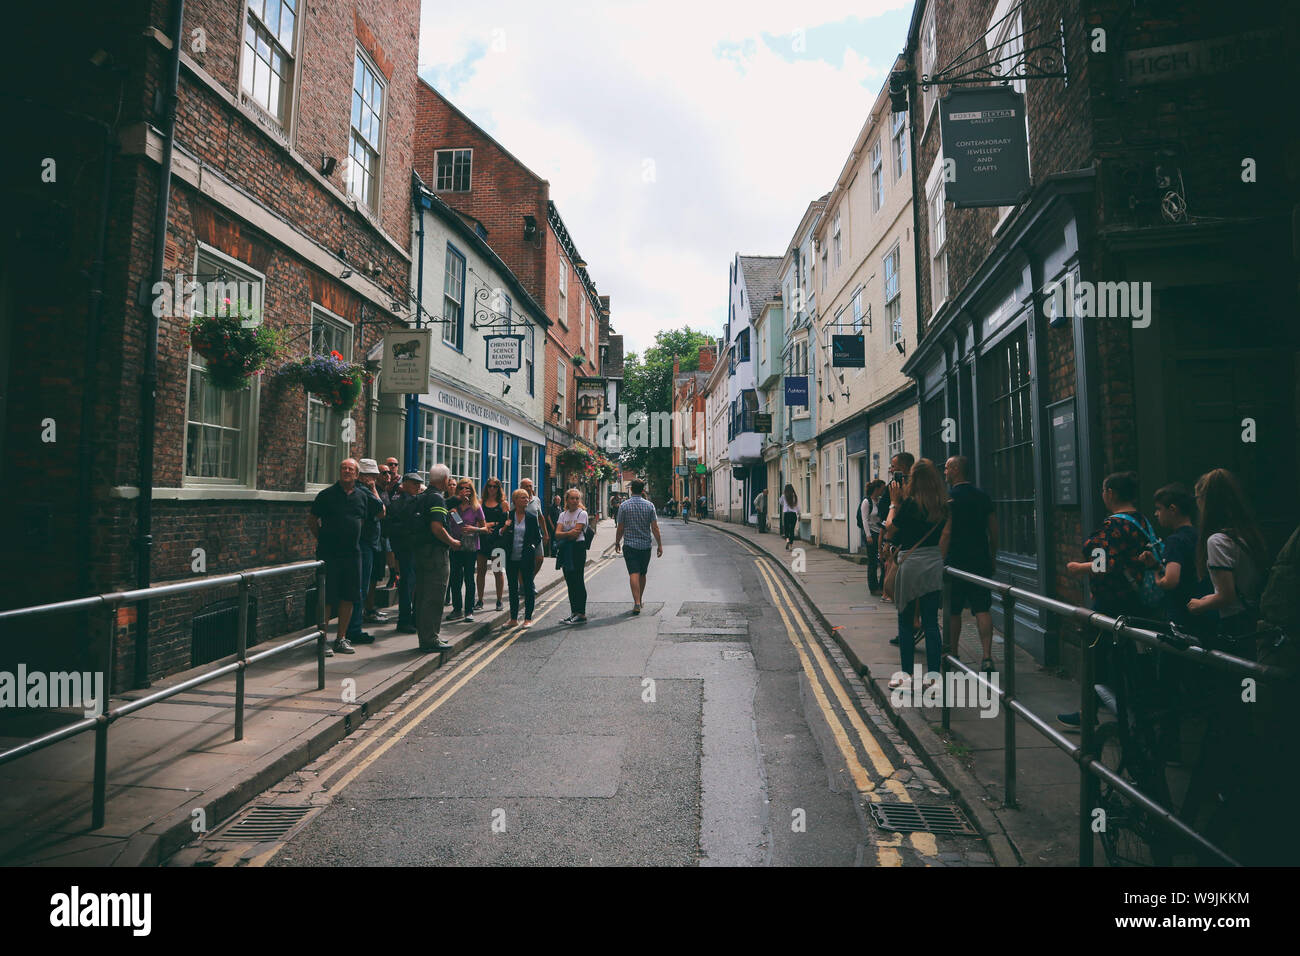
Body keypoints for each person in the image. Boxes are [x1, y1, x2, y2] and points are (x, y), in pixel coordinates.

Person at [1060, 471, 1158, 729]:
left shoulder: (1113, 526)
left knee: (1095, 656)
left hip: (1111, 603)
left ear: (1110, 493)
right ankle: (1140, 711)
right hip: (1138, 600)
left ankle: (1092, 712)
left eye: (1104, 492)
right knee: (1136, 658)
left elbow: (1105, 564)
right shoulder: (1142, 521)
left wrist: (1078, 568)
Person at [883, 459, 948, 691]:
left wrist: (893, 503)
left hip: (911, 565)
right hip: (933, 563)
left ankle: (906, 676)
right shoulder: (942, 505)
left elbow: (891, 528)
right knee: (931, 623)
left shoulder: (910, 504)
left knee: (905, 621)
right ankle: (933, 678)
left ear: (914, 479)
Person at [1187, 468, 1268, 649]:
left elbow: (1226, 596)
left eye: (1197, 499)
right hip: (1256, 617)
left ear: (1206, 500)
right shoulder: (1247, 534)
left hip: (1235, 624)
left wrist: (1200, 604)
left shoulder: (1217, 541)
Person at [309, 458, 374, 655]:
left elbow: (363, 520)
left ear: (356, 474)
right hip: (329, 555)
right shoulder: (326, 495)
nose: (346, 471)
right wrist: (324, 539)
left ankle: (341, 638)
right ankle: (322, 640)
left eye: (350, 469)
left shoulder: (362, 496)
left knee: (349, 597)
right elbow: (312, 521)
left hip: (353, 555)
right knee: (327, 598)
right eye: (343, 468)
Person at [939, 457, 998, 673]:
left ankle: (953, 654)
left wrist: (940, 560)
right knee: (982, 608)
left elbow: (945, 533)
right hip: (979, 559)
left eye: (946, 468)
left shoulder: (949, 500)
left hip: (955, 561)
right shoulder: (982, 497)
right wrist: (992, 555)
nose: (944, 472)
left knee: (953, 610)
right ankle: (987, 656)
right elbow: (994, 529)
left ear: (955, 470)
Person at [412, 464, 461, 652]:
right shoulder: (437, 499)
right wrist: (452, 542)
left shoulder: (423, 496)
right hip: (435, 554)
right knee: (434, 597)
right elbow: (436, 528)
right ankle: (430, 639)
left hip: (421, 552)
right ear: (446, 480)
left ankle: (425, 636)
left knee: (423, 595)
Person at [1144, 483, 1201, 632]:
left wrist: (1157, 576)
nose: (1156, 514)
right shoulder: (1198, 535)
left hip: (1180, 612)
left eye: (1159, 509)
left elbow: (1171, 581)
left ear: (1172, 509)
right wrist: (1157, 565)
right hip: (1199, 608)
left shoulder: (1175, 541)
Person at [349, 459, 386, 641]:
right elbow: (381, 511)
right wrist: (373, 490)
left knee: (357, 587)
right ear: (363, 476)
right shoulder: (365, 491)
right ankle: (354, 629)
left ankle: (351, 627)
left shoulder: (354, 490)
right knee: (360, 588)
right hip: (364, 545)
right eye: (372, 476)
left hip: (362, 543)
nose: (375, 479)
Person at [614, 479, 663, 615]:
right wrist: (659, 545)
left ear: (631, 490)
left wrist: (617, 542)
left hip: (629, 545)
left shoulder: (624, 506)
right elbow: (654, 527)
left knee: (633, 573)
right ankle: (640, 600)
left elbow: (621, 527)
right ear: (642, 491)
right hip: (645, 545)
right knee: (642, 573)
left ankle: (636, 602)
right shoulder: (649, 506)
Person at [384, 472, 424, 633]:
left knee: (412, 583)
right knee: (408, 584)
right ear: (405, 484)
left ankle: (412, 618)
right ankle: (404, 620)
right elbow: (394, 526)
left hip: (411, 548)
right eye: (414, 484)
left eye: (419, 484)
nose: (418, 487)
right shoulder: (401, 501)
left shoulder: (410, 500)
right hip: (406, 549)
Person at [446, 478, 488, 623]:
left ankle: (469, 610)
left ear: (472, 491)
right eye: (462, 488)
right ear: (458, 490)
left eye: (468, 488)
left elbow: (485, 528)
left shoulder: (476, 507)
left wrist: (473, 528)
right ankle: (457, 609)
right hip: (455, 545)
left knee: (469, 578)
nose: (465, 491)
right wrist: (450, 513)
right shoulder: (453, 506)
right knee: (455, 579)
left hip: (470, 547)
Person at [503, 488, 544, 627]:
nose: (526, 500)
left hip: (526, 557)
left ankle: (528, 618)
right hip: (511, 557)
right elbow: (499, 533)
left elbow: (537, 537)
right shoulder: (508, 516)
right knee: (512, 588)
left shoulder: (531, 518)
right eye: (522, 497)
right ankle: (513, 619)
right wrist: (503, 529)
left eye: (527, 498)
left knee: (528, 587)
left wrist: (531, 546)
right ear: (515, 500)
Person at [878, 452, 915, 603]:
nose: (891, 469)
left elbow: (890, 516)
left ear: (903, 467)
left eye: (893, 466)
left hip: (901, 539)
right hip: (899, 537)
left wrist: (895, 503)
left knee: (893, 579)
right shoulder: (895, 485)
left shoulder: (899, 487)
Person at [555, 488, 589, 624]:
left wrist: (565, 533)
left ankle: (581, 613)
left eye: (577, 498)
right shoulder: (563, 515)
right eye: (572, 498)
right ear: (567, 500)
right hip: (565, 550)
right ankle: (573, 612)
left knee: (578, 580)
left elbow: (576, 534)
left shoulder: (582, 513)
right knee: (569, 581)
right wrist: (569, 533)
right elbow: (556, 534)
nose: (574, 501)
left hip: (578, 549)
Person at [476, 477, 508, 612]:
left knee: (497, 571)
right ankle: (480, 600)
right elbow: (476, 521)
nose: (492, 489)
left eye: (495, 486)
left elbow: (507, 522)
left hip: (498, 541)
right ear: (486, 488)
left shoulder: (503, 504)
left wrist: (492, 524)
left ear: (499, 488)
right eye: (489, 486)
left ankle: (499, 600)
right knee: (481, 571)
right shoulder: (480, 502)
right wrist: (484, 526)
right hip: (483, 539)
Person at [861, 479, 886, 594]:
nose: (883, 490)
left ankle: (882, 586)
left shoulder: (879, 501)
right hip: (871, 534)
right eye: (882, 488)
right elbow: (865, 520)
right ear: (877, 489)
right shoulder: (867, 502)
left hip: (880, 533)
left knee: (882, 560)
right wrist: (868, 535)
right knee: (872, 562)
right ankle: (873, 588)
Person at [780, 484, 799, 550]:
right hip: (793, 515)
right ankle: (791, 545)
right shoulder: (795, 496)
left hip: (787, 514)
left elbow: (780, 502)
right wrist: (799, 514)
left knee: (786, 529)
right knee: (792, 530)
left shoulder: (783, 496)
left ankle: (787, 540)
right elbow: (797, 506)